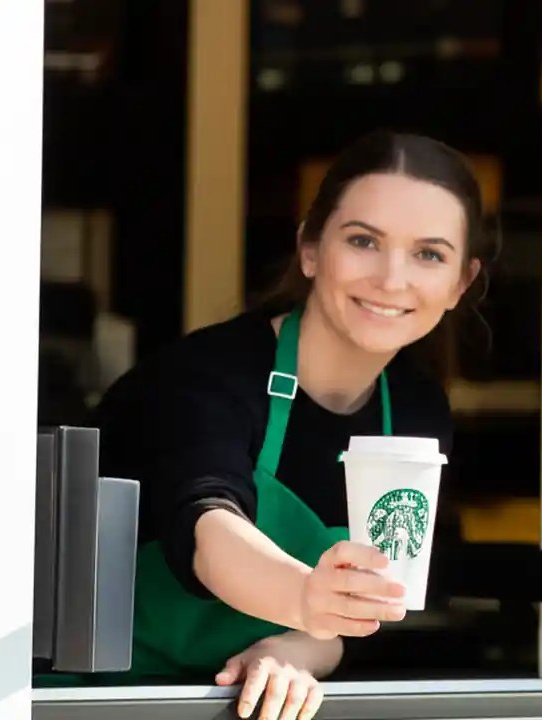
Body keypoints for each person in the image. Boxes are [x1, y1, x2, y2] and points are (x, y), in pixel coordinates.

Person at [90, 130, 495, 719]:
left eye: (428, 254)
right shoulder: (207, 375)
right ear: (309, 248)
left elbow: (362, 613)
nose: (391, 278)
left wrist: (290, 650)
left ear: (461, 282)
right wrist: (306, 600)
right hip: (101, 700)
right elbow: (207, 528)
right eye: (363, 241)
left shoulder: (414, 410)